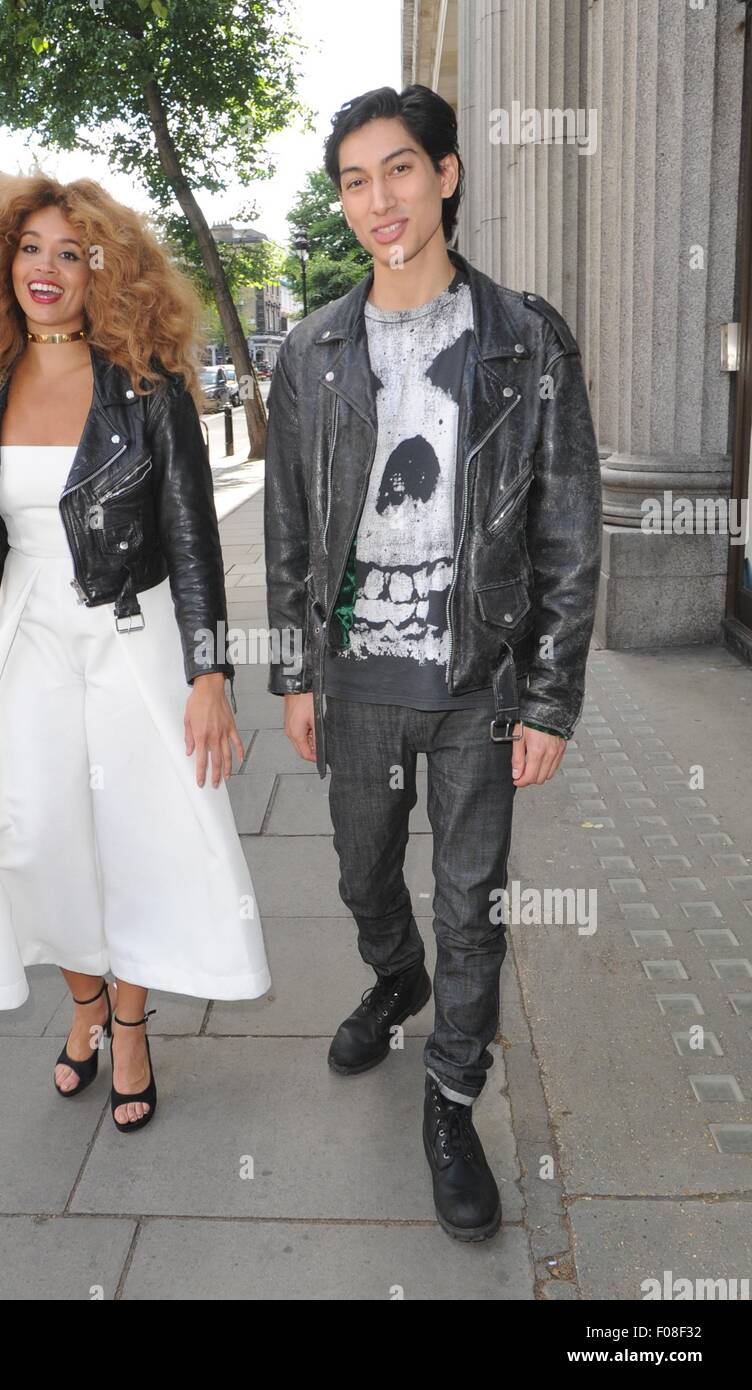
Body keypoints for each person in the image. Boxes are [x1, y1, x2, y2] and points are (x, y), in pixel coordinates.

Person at [264, 83, 601, 1240]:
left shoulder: (526, 339)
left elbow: (566, 528)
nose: (378, 199)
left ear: (446, 175)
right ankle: (390, 973)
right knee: (365, 878)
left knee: (473, 905)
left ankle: (452, 1098)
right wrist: (297, 672)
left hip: (474, 684)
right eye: (355, 181)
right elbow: (289, 523)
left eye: (399, 169)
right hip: (355, 678)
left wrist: (550, 695)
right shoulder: (311, 350)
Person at [0, 173, 270, 1132]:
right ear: (1, 265)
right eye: (30, 249)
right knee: (39, 839)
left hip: (137, 638)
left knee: (140, 839)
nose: (46, 268)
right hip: (30, 642)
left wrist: (210, 673)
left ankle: (128, 1026)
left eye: (71, 252)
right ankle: (84, 1009)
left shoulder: (149, 390)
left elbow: (193, 540)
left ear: (105, 271)